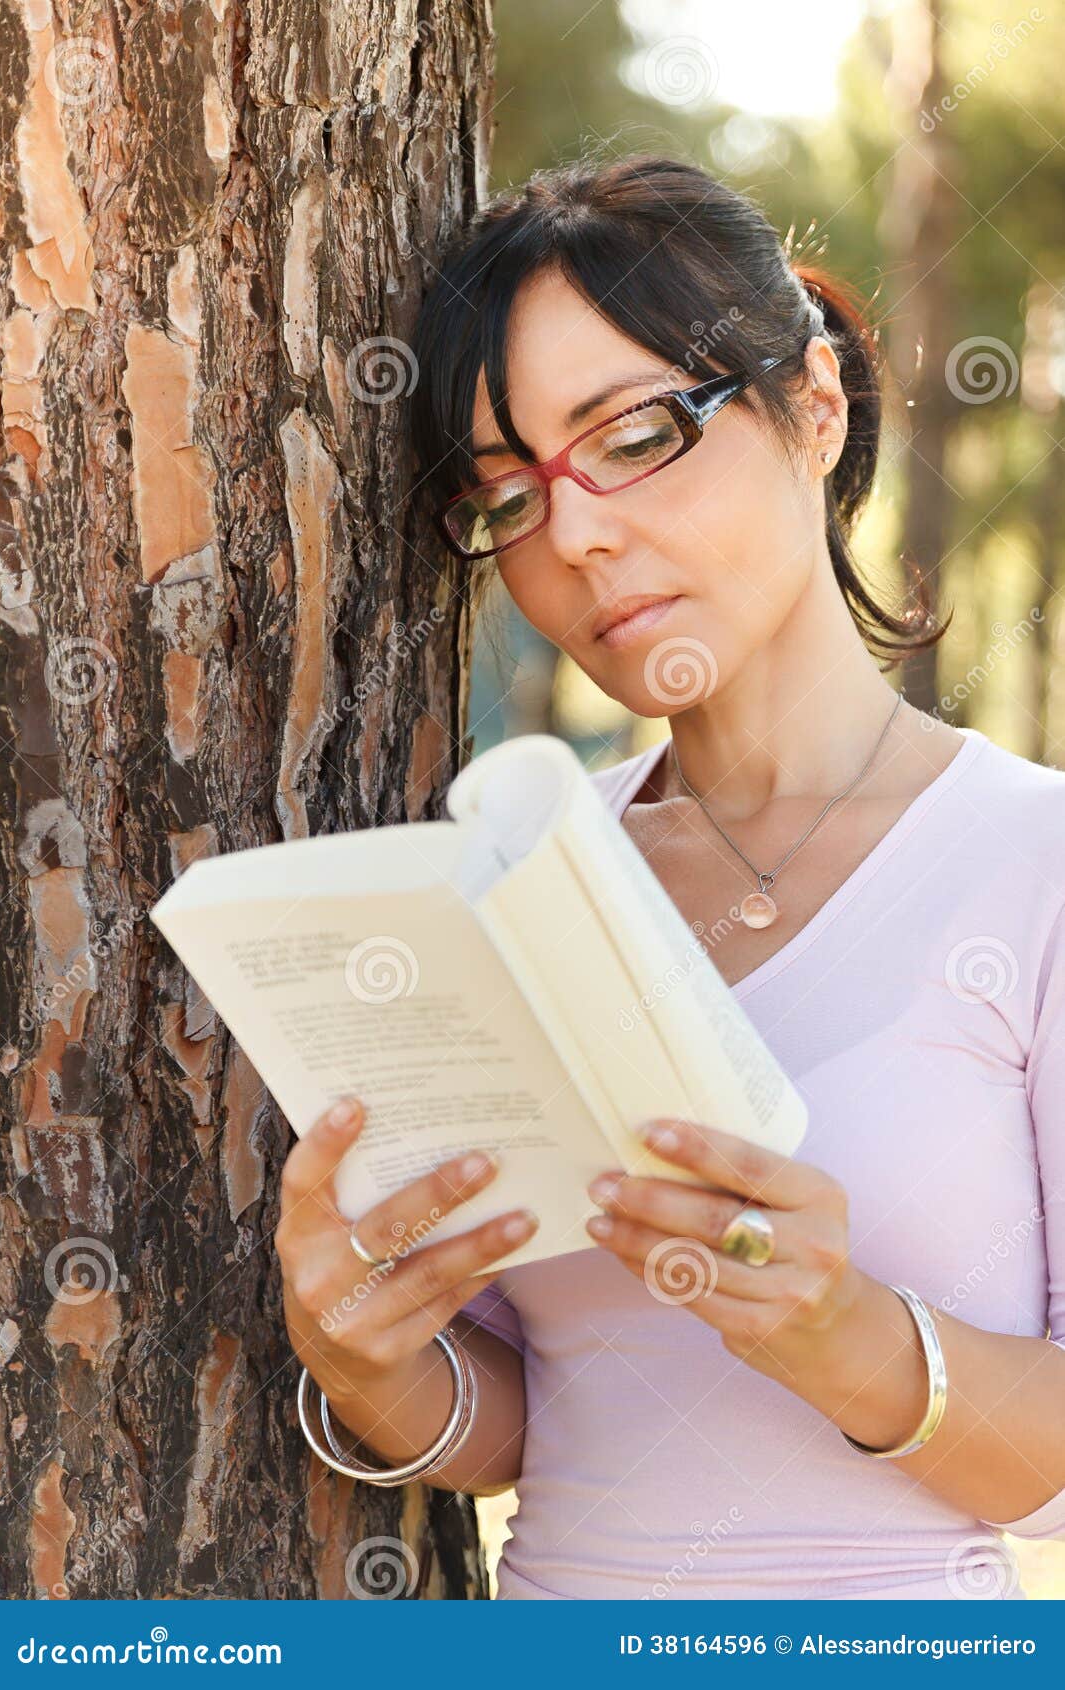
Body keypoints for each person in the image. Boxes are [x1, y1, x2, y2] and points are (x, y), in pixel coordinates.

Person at [277, 154, 1065, 1600]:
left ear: (812, 404)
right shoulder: (520, 877)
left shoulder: (1035, 867)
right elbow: (545, 1419)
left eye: (633, 433)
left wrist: (850, 1335)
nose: (574, 534)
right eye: (506, 494)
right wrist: (364, 1355)